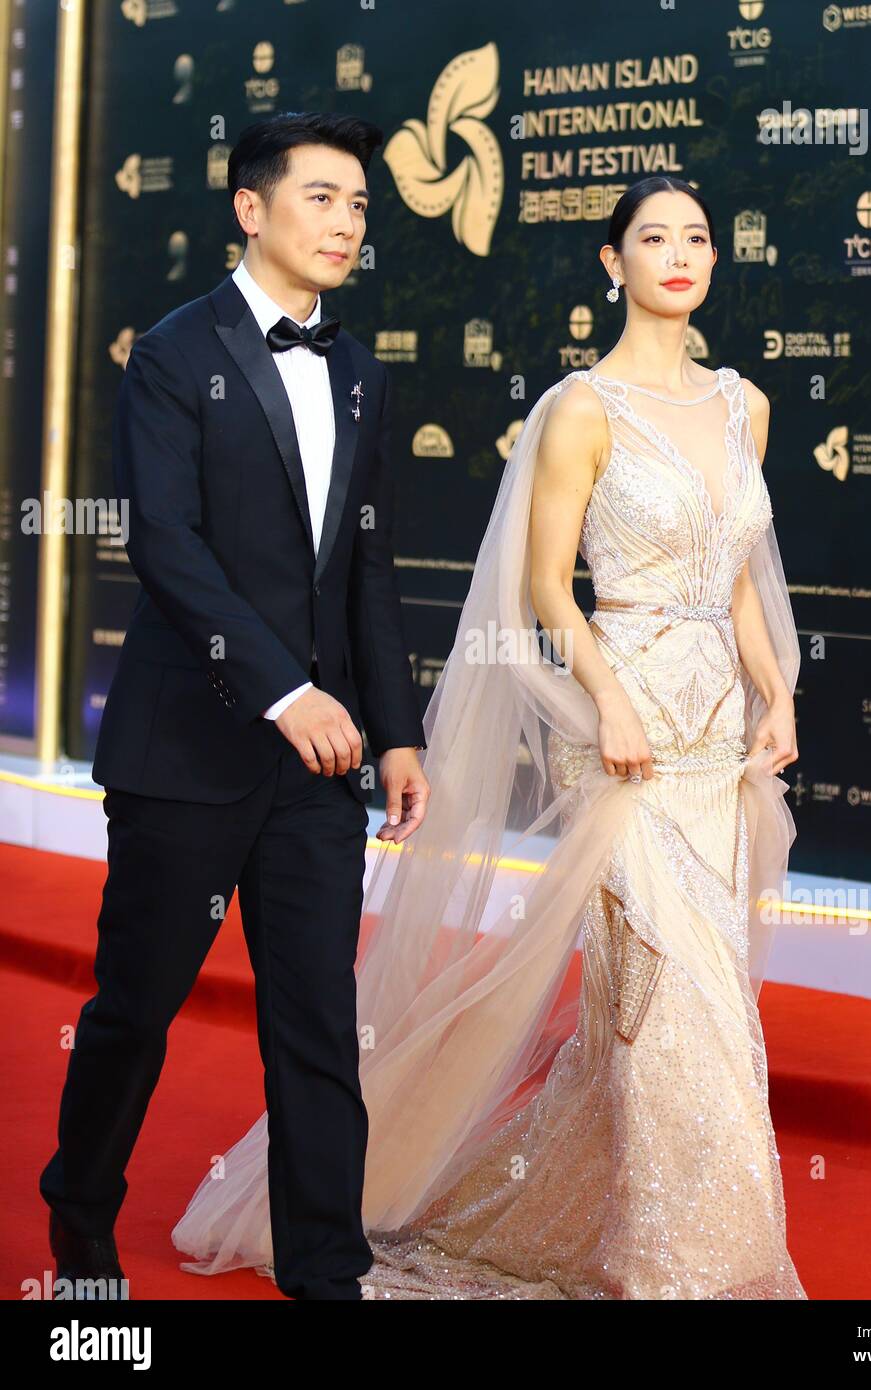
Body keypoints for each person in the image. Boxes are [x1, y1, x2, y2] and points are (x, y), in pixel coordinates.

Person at [173, 176, 807, 1299]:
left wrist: (780, 691)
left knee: (691, 1007)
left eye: (697, 238)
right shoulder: (580, 408)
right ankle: (694, 1270)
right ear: (611, 264)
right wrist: (605, 700)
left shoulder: (745, 407)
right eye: (652, 238)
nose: (679, 254)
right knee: (676, 1004)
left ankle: (648, 1234)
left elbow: (744, 580)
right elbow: (546, 589)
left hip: (719, 743)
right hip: (623, 736)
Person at [39, 111, 430, 1301]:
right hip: (189, 748)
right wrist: (285, 691)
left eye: (360, 205)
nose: (348, 224)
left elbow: (365, 566)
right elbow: (168, 546)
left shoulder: (357, 369)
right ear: (250, 209)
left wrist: (399, 728)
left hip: (321, 767)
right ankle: (81, 1222)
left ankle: (326, 1268)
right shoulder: (168, 352)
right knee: (135, 1009)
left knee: (316, 1025)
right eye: (323, 199)